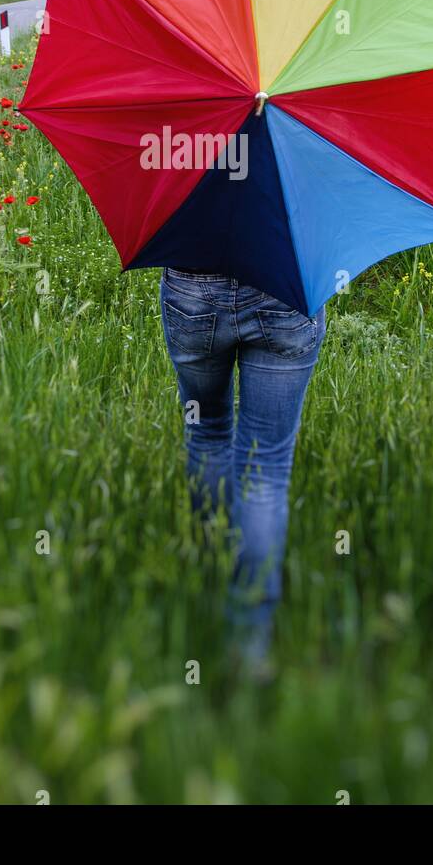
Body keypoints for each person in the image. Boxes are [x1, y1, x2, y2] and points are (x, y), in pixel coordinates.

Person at [159, 266, 327, 674]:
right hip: (287, 291)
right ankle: (248, 638)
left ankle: (209, 579)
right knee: (264, 468)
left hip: (193, 288)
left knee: (207, 433)